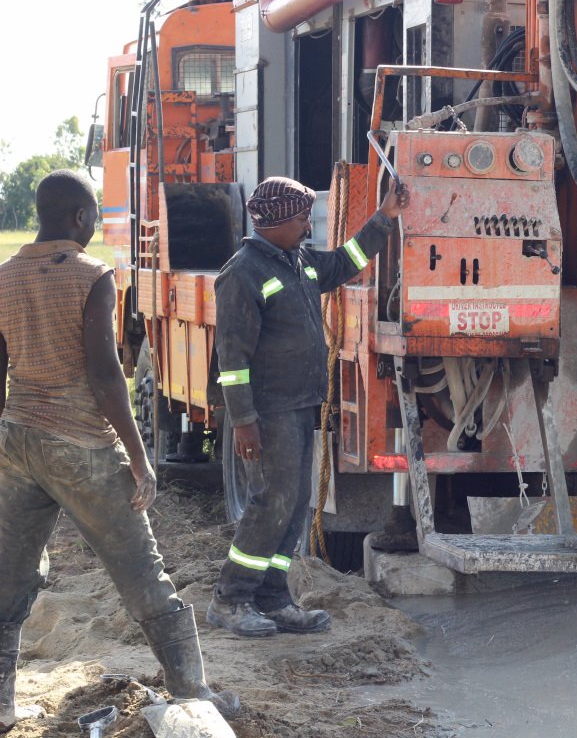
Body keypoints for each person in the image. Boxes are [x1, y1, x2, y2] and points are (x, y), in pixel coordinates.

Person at [0, 170, 237, 731]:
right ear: (81, 217)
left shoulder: (4, 276)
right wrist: (138, 454)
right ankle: (192, 691)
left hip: (17, 440)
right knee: (141, 569)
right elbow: (106, 374)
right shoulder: (92, 275)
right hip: (80, 443)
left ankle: (2, 706)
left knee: (7, 579)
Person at [208, 175, 408, 638]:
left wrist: (385, 218)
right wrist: (244, 421)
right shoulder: (243, 274)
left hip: (300, 405)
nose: (307, 226)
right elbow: (232, 361)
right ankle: (231, 598)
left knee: (295, 503)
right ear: (275, 221)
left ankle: (273, 599)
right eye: (301, 218)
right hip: (269, 410)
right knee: (271, 503)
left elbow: (344, 262)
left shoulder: (298, 261)